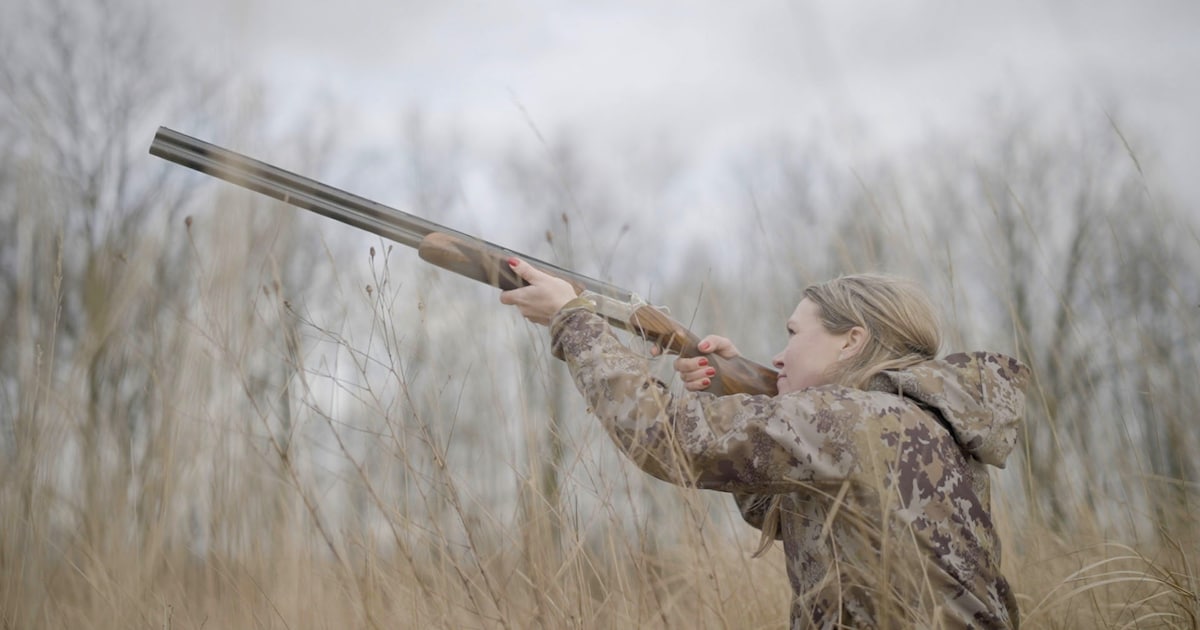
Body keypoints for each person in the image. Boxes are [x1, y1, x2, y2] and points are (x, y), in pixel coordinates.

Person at [500, 258, 1028, 629]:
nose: (779, 356)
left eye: (794, 335)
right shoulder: (919, 424)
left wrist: (575, 320)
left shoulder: (850, 418)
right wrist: (731, 387)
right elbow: (785, 508)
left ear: (853, 340)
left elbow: (665, 437)